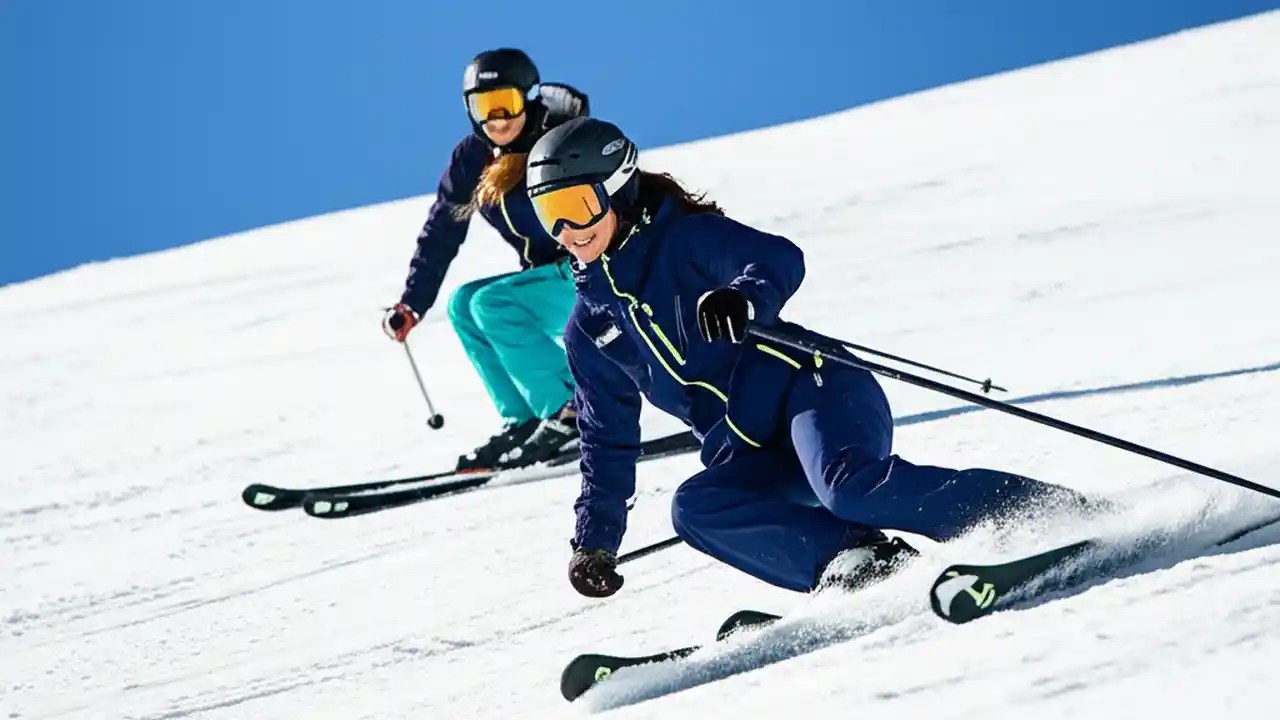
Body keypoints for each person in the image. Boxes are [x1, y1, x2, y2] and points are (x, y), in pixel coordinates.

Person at [523, 117, 1087, 598]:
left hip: (813, 389)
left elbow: (775, 257)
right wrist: (593, 541)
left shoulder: (685, 242)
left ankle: (1042, 516)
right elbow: (606, 442)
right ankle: (859, 562)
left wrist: (745, 296)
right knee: (697, 507)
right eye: (552, 215)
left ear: (618, 190)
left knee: (852, 487)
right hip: (751, 447)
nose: (568, 230)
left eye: (578, 206)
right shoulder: (590, 331)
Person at [383, 49, 586, 471]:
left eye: (506, 103)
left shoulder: (561, 139)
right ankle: (524, 419)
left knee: (493, 304)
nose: (497, 119)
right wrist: (413, 303)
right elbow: (442, 231)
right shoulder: (473, 159)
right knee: (464, 305)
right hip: (550, 278)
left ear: (527, 99)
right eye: (483, 107)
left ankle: (573, 406)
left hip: (596, 272)